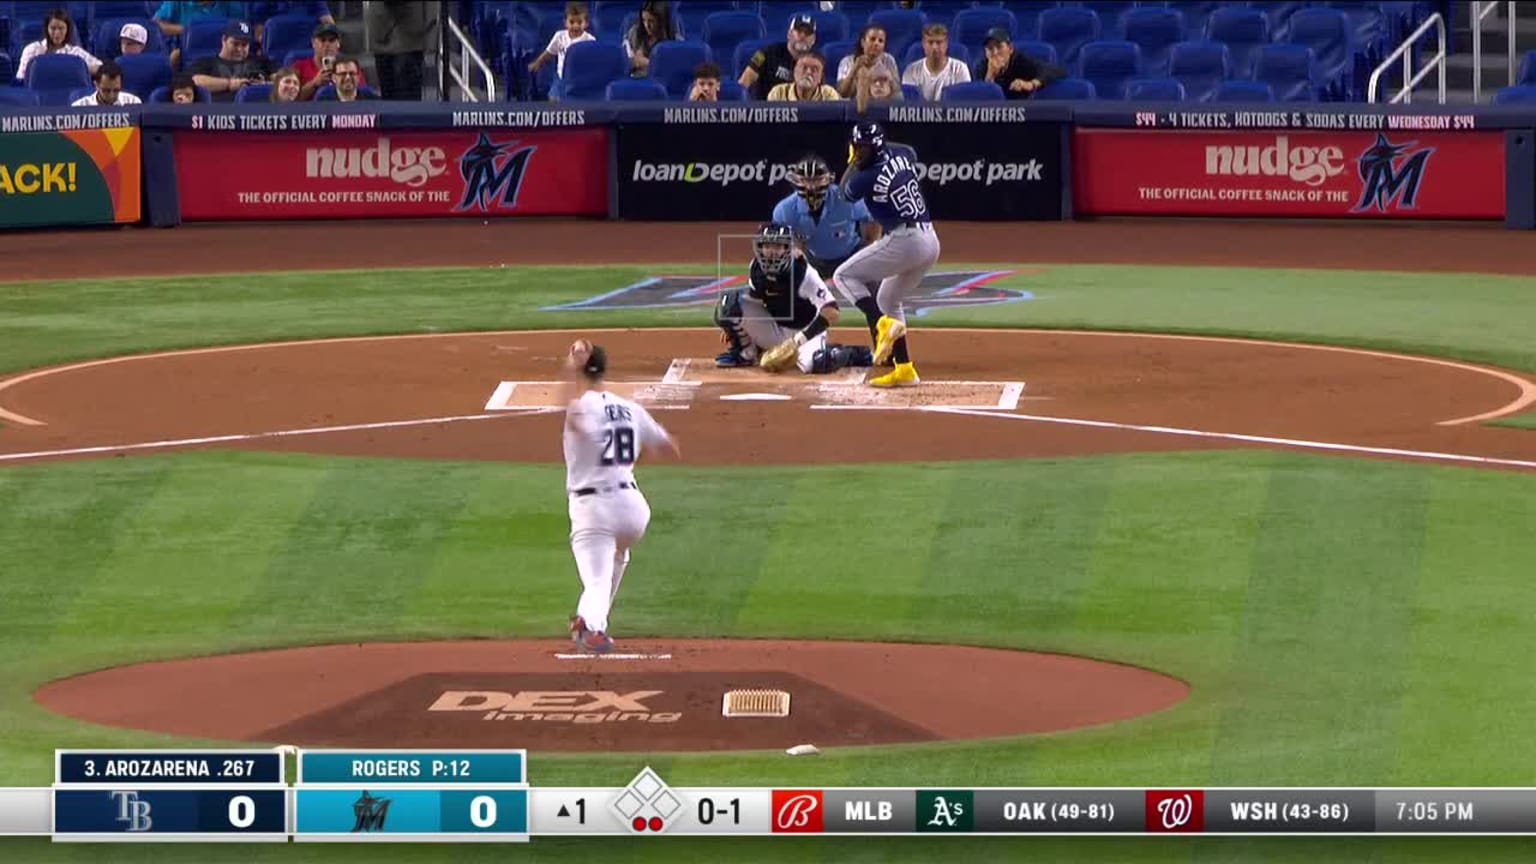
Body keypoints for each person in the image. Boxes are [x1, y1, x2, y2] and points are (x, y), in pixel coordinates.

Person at [561, 339, 679, 655]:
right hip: (634, 510)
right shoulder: (630, 407)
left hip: (594, 510)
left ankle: (589, 627)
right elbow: (668, 446)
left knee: (596, 581)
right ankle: (597, 623)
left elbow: (574, 418)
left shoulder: (580, 405)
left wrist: (570, 370)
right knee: (617, 554)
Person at [833, 121, 941, 388]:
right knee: (888, 297)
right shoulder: (901, 155)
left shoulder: (863, 177)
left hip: (907, 241)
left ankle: (881, 323)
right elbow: (910, 151)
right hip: (930, 240)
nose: (859, 153)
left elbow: (844, 190)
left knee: (843, 276)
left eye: (861, 149)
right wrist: (875, 146)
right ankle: (904, 369)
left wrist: (854, 159)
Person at [713, 222, 874, 375]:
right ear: (760, 247)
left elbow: (832, 311)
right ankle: (746, 353)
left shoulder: (803, 272)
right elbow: (754, 300)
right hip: (776, 328)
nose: (772, 252)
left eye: (777, 246)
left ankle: (855, 354)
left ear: (787, 248)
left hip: (806, 330)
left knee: (817, 363)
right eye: (767, 246)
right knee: (728, 303)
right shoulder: (755, 268)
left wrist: (798, 341)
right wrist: (734, 325)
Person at [771, 153, 879, 287]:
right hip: (814, 260)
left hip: (851, 257)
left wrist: (869, 249)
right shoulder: (784, 210)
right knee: (783, 280)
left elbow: (872, 220)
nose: (811, 187)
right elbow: (789, 244)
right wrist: (796, 253)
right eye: (806, 180)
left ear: (828, 179)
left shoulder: (847, 199)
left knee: (877, 280)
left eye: (816, 180)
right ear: (796, 181)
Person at [189, 20, 273, 103]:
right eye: (235, 44)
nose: (239, 49)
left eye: (244, 45)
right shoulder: (206, 62)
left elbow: (281, 78)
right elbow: (195, 81)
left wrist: (262, 86)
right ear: (224, 40)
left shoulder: (261, 61)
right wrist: (230, 84)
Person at [739, 12, 816, 101]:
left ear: (813, 39)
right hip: (766, 110)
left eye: (807, 33)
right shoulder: (764, 53)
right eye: (798, 31)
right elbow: (743, 83)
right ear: (789, 34)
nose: (802, 36)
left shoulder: (816, 62)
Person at [529, 1, 593, 102]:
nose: (575, 26)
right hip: (562, 77)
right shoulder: (560, 36)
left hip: (580, 78)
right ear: (565, 22)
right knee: (553, 98)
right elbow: (549, 53)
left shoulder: (590, 40)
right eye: (572, 22)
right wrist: (537, 63)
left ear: (586, 24)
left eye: (579, 22)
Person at [15, 8, 101, 83]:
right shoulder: (32, 49)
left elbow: (101, 68)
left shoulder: (75, 52)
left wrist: (80, 68)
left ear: (67, 30)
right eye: (53, 28)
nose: (57, 33)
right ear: (46, 29)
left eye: (61, 28)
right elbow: (20, 78)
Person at [975, 28, 1062, 99]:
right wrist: (990, 76)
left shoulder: (1020, 61)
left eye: (999, 47)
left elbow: (1056, 70)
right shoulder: (981, 66)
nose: (995, 53)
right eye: (990, 49)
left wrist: (1030, 84)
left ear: (1010, 49)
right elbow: (978, 100)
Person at [294, 22, 364, 101]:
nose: (327, 44)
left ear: (338, 44)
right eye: (323, 40)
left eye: (331, 40)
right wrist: (314, 83)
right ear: (313, 43)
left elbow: (363, 94)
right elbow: (291, 100)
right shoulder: (299, 67)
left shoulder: (350, 67)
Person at [902, 23, 969, 101]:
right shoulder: (911, 71)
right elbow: (908, 104)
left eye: (939, 42)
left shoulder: (960, 69)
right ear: (923, 44)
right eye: (930, 42)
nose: (934, 47)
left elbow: (964, 104)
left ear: (946, 44)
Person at [835, 24, 898, 98]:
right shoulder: (847, 62)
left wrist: (887, 77)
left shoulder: (888, 60)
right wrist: (855, 68)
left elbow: (896, 90)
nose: (876, 43)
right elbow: (842, 93)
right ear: (863, 42)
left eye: (880, 41)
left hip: (882, 104)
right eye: (872, 39)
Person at [623, 0, 677, 77]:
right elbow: (623, 62)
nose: (647, 25)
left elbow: (673, 68)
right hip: (635, 80)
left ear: (661, 21)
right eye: (644, 20)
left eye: (651, 21)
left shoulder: (674, 39)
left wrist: (647, 63)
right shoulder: (634, 33)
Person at [766, 51, 839, 102]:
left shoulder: (828, 94)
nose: (808, 72)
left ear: (820, 77)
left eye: (815, 69)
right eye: (804, 67)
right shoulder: (778, 92)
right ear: (794, 71)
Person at [71, 60, 142, 106]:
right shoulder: (79, 107)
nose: (111, 96)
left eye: (116, 90)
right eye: (106, 91)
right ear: (96, 85)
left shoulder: (133, 102)